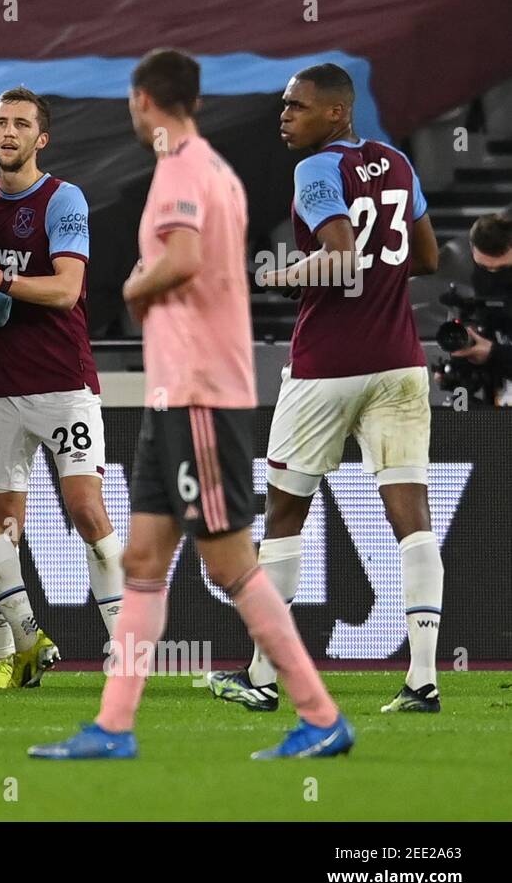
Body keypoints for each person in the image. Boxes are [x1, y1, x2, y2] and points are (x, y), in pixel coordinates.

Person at [29, 49, 353, 760]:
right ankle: (114, 728)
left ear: (144, 99)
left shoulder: (181, 168)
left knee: (230, 563)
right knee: (144, 559)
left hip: (202, 395)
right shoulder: (211, 168)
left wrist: (132, 288)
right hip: (176, 395)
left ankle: (321, 716)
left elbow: (181, 257)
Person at [207, 61, 444, 714]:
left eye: (296, 106)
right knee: (412, 518)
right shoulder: (397, 162)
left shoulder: (315, 170)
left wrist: (280, 273)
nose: (285, 116)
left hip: (327, 364)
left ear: (337, 113)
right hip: (399, 358)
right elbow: (427, 257)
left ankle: (259, 676)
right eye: (285, 106)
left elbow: (340, 254)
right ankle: (423, 679)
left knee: (285, 512)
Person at [0, 86, 124, 687]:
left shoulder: (63, 198)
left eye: (21, 124)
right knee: (1, 524)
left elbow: (66, 290)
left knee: (84, 507)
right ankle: (8, 657)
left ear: (40, 138)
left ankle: (124, 650)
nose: (8, 132)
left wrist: (2, 276)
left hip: (62, 382)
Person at [452, 212, 512, 375]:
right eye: (484, 267)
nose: (493, 276)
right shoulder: (477, 276)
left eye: (503, 268)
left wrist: (495, 353)